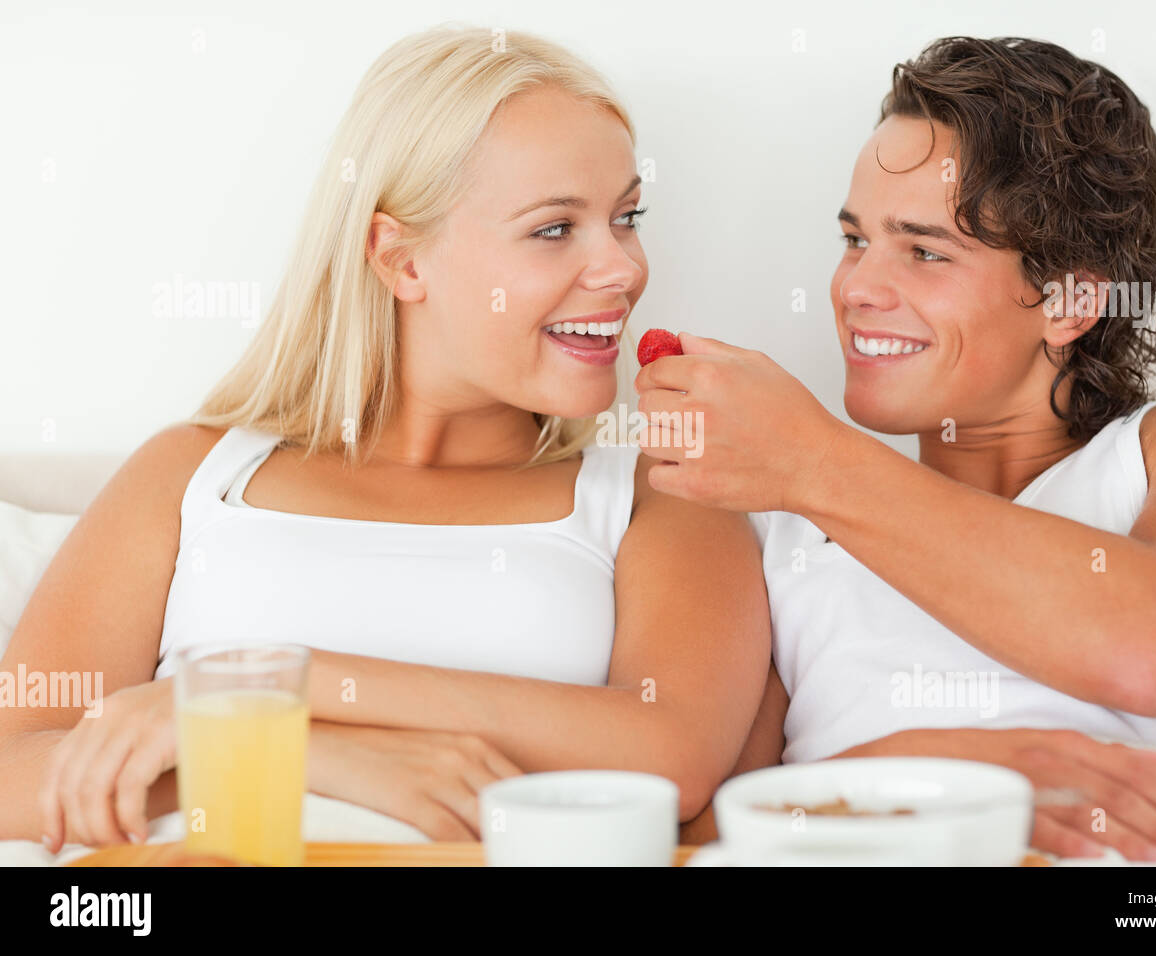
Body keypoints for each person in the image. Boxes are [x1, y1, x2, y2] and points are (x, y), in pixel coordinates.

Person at [0, 25, 773, 852]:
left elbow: (674, 753)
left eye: (627, 217)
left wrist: (249, 693)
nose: (623, 268)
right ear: (400, 259)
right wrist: (318, 754)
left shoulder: (667, 493)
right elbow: (16, 766)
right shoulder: (194, 473)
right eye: (556, 228)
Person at [642, 37, 1156, 861]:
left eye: (924, 251)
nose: (856, 289)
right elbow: (708, 839)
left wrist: (812, 459)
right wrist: (940, 772)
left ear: (1069, 300)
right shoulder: (791, 545)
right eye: (855, 240)